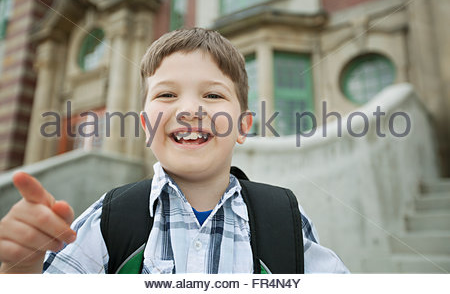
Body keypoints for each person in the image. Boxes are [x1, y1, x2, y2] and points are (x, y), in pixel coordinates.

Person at [0, 28, 349, 274]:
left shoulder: (283, 219)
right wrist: (21, 267)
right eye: (167, 95)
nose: (189, 110)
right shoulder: (107, 221)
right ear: (145, 125)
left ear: (243, 126)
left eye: (213, 95)